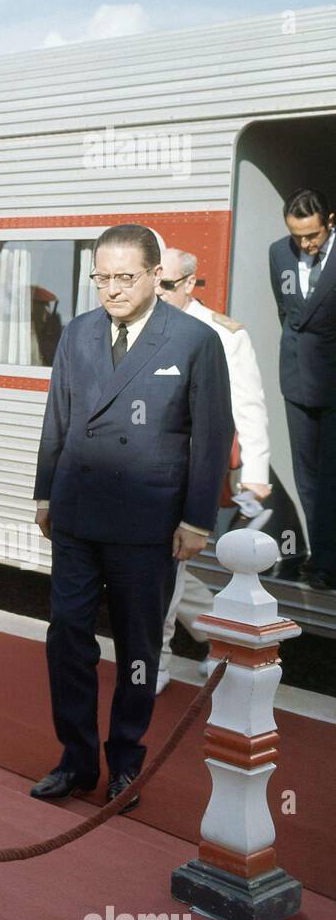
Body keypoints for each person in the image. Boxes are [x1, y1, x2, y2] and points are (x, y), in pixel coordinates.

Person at [31, 225, 233, 811]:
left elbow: (212, 436)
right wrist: (45, 495)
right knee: (67, 637)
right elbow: (58, 419)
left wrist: (198, 520)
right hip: (75, 512)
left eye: (125, 277)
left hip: (147, 521)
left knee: (139, 650)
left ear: (154, 275)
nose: (112, 289)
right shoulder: (78, 334)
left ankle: (124, 764)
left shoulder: (195, 340)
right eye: (102, 277)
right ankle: (75, 760)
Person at [153, 247, 271, 692]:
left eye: (166, 285)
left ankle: (155, 663)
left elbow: (249, 406)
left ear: (188, 284)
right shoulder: (141, 325)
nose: (157, 293)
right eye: (154, 282)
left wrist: (255, 473)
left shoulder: (223, 335)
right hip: (146, 468)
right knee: (167, 563)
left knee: (167, 564)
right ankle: (223, 638)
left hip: (192, 468)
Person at [269, 188, 336, 590]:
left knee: (331, 475)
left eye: (312, 235)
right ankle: (323, 557)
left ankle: (329, 561)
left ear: (330, 221)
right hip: (296, 378)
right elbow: (286, 311)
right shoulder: (279, 253)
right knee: (307, 476)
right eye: (298, 236)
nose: (305, 244)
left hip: (333, 381)